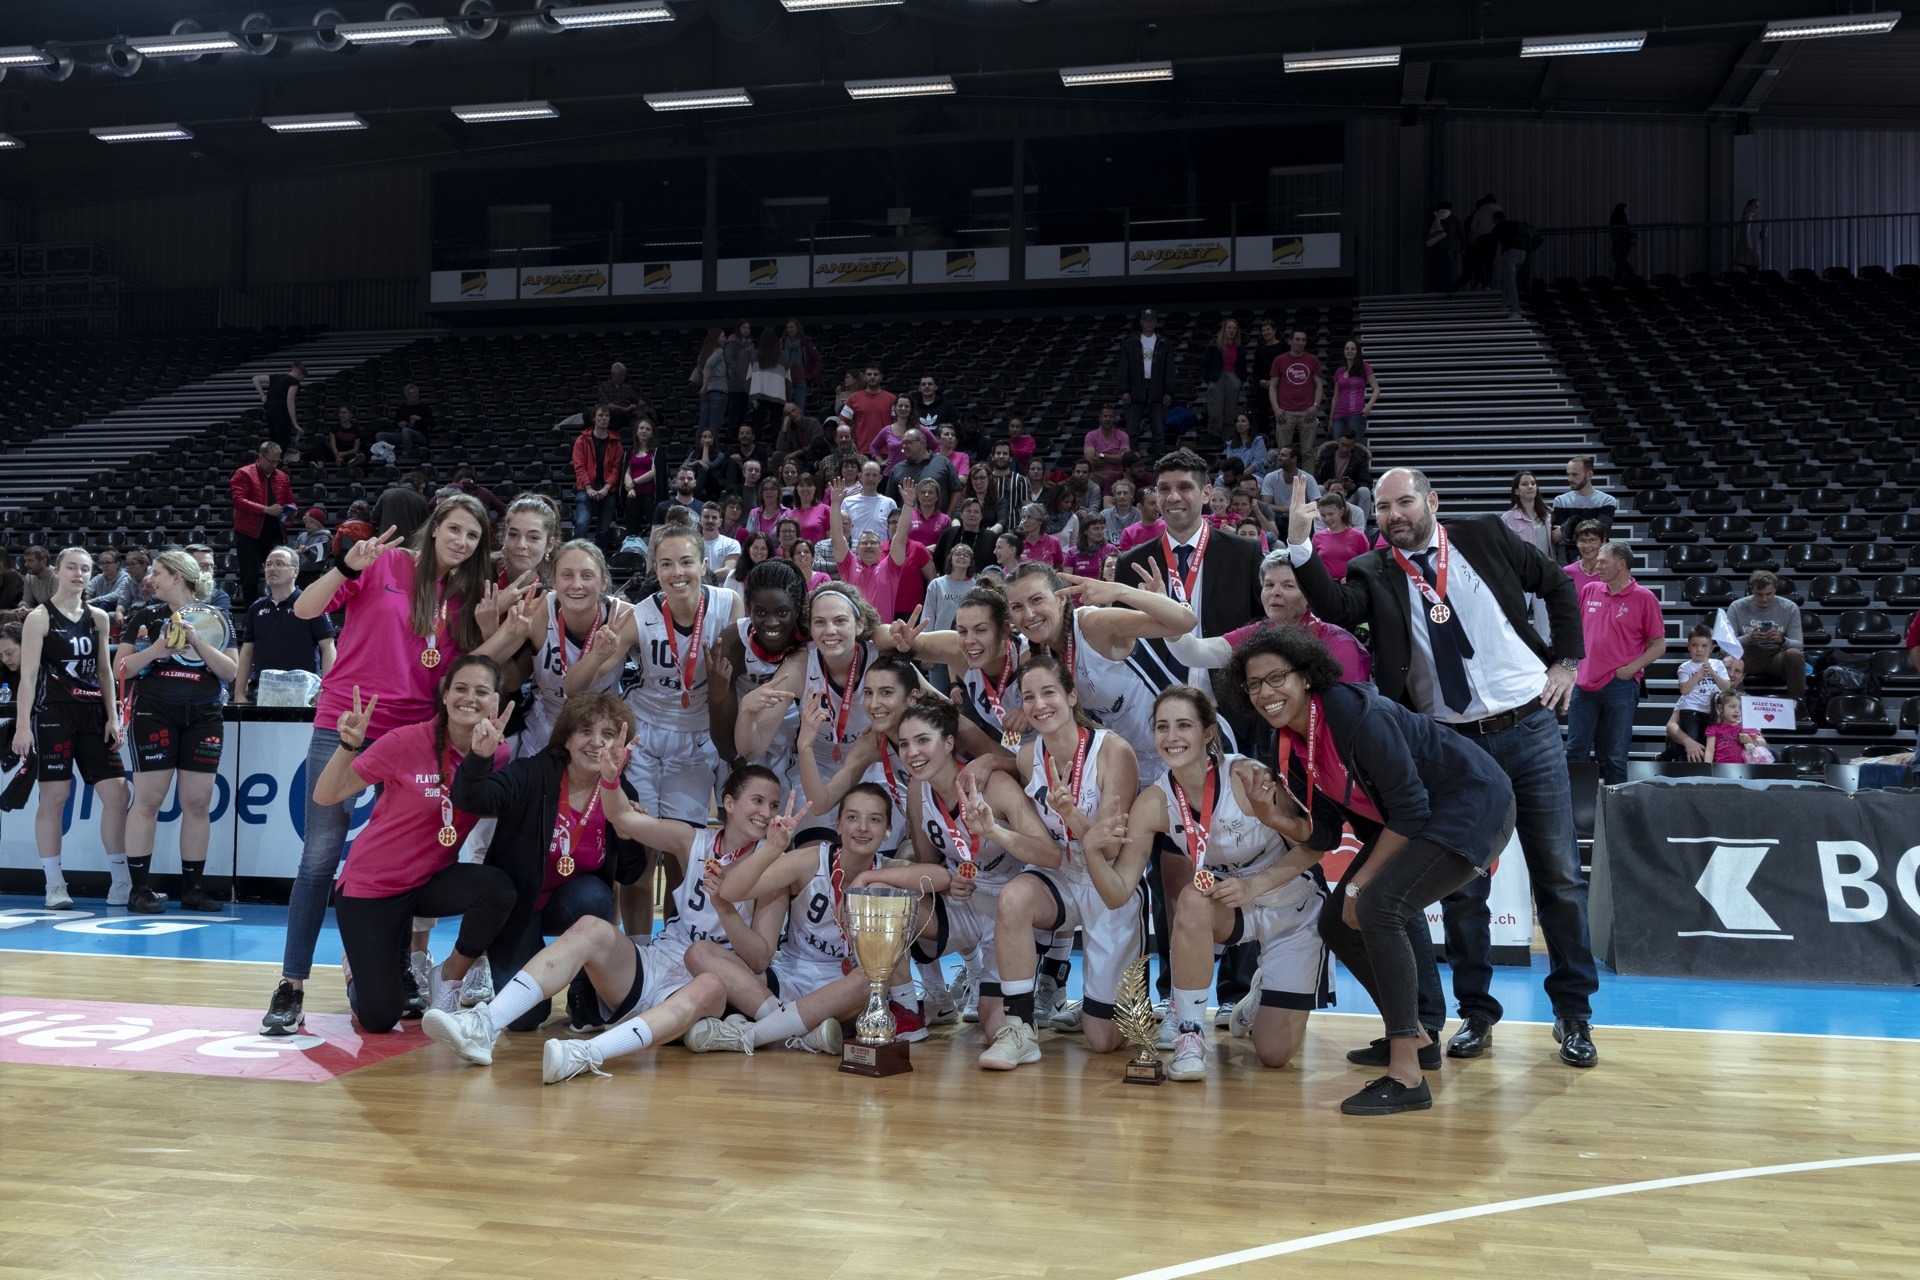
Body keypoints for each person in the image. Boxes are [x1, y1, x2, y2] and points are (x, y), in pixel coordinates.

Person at [1283, 468, 1600, 1069]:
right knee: (1462, 887)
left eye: (1405, 502)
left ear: (1432, 501)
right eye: (1382, 507)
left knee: (1558, 875)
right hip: (1453, 747)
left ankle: (1574, 1015)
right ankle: (1476, 1015)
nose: (1394, 514)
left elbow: (1558, 585)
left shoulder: (1484, 536)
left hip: (1529, 726)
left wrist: (1566, 661)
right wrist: (1301, 546)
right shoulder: (1372, 570)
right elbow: (1336, 606)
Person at [1230, 626, 1516, 1114]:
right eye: (1254, 685)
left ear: (1305, 677)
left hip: (1471, 803)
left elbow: (1409, 809)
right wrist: (1271, 816)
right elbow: (1321, 835)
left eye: (1275, 678)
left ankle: (1406, 1075)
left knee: (1377, 906)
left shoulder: (1354, 714)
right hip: (1422, 817)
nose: (1265, 693)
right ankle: (1418, 1039)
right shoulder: (1291, 742)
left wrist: (1361, 884)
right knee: (1335, 921)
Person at [260, 494, 518, 1037]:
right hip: (346, 721)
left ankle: (389, 967)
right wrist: (343, 566)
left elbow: (466, 669)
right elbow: (306, 609)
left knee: (409, 852)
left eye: (473, 536)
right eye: (454, 529)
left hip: (415, 734)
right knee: (320, 855)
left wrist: (501, 626)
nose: (462, 542)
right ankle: (291, 985)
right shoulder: (383, 560)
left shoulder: (467, 594)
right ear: (435, 527)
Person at [1098, 686, 1329, 1081]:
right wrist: (1089, 850)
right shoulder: (1153, 802)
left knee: (1274, 1055)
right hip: (1234, 904)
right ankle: (1189, 1034)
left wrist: (1255, 885)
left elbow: (1314, 848)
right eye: (1162, 727)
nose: (1172, 737)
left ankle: (1262, 989)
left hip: (1293, 904)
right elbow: (1118, 891)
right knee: (1190, 899)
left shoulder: (1247, 776)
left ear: (1208, 733)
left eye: (1184, 725)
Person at [313, 657, 516, 1031]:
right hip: (371, 889)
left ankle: (449, 975)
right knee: (380, 1018)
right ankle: (357, 967)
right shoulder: (404, 741)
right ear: (444, 694)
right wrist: (347, 745)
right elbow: (326, 796)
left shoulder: (496, 755)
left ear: (495, 702)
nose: (469, 698)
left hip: (427, 884)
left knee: (498, 889)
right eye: (461, 688)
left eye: (481, 691)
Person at [982, 654, 1142, 1070]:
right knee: (1013, 898)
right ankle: (1020, 1029)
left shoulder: (1114, 752)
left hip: (1109, 881)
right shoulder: (1028, 756)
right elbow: (1009, 761)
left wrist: (1070, 813)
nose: (1039, 705)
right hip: (1062, 875)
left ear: (1071, 696)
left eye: (1049, 692)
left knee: (1103, 1041)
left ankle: (1108, 1003)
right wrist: (988, 765)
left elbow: (1108, 850)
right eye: (1028, 697)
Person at [564, 520, 741, 891]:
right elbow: (572, 688)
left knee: (684, 849)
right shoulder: (640, 616)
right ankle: (641, 944)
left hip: (697, 736)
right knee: (641, 845)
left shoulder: (727, 604)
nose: (677, 573)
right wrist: (596, 656)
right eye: (666, 564)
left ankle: (676, 937)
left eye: (686, 562)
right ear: (655, 568)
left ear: (704, 563)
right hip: (643, 734)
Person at [446, 689, 635, 1032]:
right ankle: (499, 967)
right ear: (566, 738)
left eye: (608, 735)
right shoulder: (533, 773)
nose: (596, 743)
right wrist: (478, 758)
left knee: (594, 895)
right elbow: (472, 799)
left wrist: (627, 834)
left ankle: (583, 991)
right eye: (585, 731)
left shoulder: (619, 791)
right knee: (525, 1019)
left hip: (570, 906)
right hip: (518, 908)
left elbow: (630, 872)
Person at [683, 785, 889, 1056]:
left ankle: (753, 1035)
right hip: (790, 978)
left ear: (888, 830)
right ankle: (798, 1032)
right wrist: (771, 848)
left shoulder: (894, 872)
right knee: (699, 953)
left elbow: (936, 875)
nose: (862, 827)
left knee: (870, 980)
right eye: (852, 817)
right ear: (837, 825)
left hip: (844, 991)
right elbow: (730, 891)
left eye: (874, 820)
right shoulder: (809, 860)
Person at [1118, 450, 1266, 748]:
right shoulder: (1131, 563)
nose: (1173, 497)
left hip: (1233, 708)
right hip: (1157, 712)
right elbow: (1124, 644)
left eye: (1184, 487)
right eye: (1164, 489)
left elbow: (1262, 626)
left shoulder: (1244, 554)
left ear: (1207, 493)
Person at [1000, 562, 1195, 784]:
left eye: (1037, 600)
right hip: (1132, 761)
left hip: (1186, 741)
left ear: (1061, 598)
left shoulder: (1092, 625)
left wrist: (1119, 590)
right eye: (1017, 607)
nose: (1029, 614)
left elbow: (1186, 622)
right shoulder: (1035, 654)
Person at [11, 548, 129, 910]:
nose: (78, 574)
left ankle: (121, 881)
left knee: (118, 795)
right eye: (72, 567)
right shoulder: (39, 617)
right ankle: (54, 883)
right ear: (58, 572)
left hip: (93, 714)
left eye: (85, 569)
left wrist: (113, 715)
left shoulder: (98, 617)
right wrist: (21, 725)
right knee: (54, 799)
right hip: (54, 714)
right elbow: (28, 676)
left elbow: (106, 671)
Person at [1170, 549, 1374, 687]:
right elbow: (1193, 653)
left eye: (1288, 585)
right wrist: (1162, 610)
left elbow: (1350, 717)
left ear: (1311, 594)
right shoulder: (1258, 633)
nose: (1274, 593)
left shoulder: (1340, 644)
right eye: (1268, 585)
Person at [1566, 541, 1665, 784]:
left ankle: (1615, 816)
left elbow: (1659, 644)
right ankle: (1572, 814)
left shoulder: (1644, 598)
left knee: (1614, 757)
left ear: (1621, 565)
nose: (1596, 566)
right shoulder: (1589, 590)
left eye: (1603, 562)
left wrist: (1630, 670)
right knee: (1575, 753)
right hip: (1584, 683)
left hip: (1619, 685)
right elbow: (1576, 632)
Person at [233, 546, 337, 701]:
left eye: (279, 564)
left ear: (295, 571)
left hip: (304, 694)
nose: (272, 568)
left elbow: (328, 647)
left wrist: (325, 691)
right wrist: (239, 692)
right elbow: (247, 652)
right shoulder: (256, 608)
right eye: (268, 564)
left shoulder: (311, 602)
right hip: (264, 693)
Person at [1725, 570, 1807, 705]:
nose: (1764, 599)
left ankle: (1797, 705)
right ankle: (1735, 704)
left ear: (1775, 588)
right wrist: (1748, 639)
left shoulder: (1789, 608)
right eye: (1759, 594)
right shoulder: (1737, 607)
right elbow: (1727, 644)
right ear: (1751, 589)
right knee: (1729, 657)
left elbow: (1799, 645)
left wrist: (1782, 640)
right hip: (1748, 657)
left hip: (1776, 657)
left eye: (1769, 594)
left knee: (1794, 654)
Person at [832, 486, 914, 620]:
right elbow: (836, 536)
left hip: (882, 632)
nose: (869, 545)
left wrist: (908, 504)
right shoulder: (849, 564)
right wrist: (835, 504)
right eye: (864, 543)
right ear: (857, 548)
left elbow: (900, 536)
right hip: (853, 630)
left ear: (881, 548)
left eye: (873, 543)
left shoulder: (890, 567)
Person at [229, 440, 294, 607]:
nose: (274, 465)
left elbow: (289, 500)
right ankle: (252, 613)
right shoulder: (243, 473)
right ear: (260, 457)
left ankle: (279, 608)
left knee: (280, 574)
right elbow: (238, 501)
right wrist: (266, 509)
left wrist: (291, 509)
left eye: (277, 461)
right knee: (249, 578)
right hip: (249, 534)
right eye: (271, 461)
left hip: (274, 532)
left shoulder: (282, 477)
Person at [1665, 623, 1733, 762]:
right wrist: (1700, 673)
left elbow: (1726, 688)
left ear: (1711, 648)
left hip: (1712, 711)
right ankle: (1678, 766)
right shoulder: (1685, 667)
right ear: (1688, 646)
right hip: (1691, 709)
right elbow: (1684, 690)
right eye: (1695, 645)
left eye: (1704, 646)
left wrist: (1713, 673)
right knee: (1691, 742)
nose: (1699, 650)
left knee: (1707, 743)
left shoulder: (1718, 664)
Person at [1116, 309, 1175, 453]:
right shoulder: (1131, 342)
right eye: (1146, 320)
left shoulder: (1163, 342)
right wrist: (1125, 390)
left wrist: (1168, 392)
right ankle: (1132, 464)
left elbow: (1170, 369)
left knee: (1159, 432)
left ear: (1156, 323)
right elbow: (1124, 367)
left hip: (1157, 389)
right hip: (1136, 388)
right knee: (1132, 431)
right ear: (1141, 322)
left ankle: (1158, 464)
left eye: (1151, 320)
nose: (1149, 323)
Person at [571, 406, 626, 553]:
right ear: (594, 418)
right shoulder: (582, 440)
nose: (604, 418)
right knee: (582, 523)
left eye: (606, 416)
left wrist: (606, 488)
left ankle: (599, 559)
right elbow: (579, 467)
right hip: (586, 487)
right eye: (601, 415)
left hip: (608, 489)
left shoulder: (616, 443)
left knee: (603, 529)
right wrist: (588, 487)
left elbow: (616, 469)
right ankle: (576, 555)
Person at [1266, 327, 1322, 464]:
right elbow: (1272, 386)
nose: (1300, 342)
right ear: (1290, 341)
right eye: (1297, 339)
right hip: (1285, 412)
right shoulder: (1279, 360)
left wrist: (1315, 406)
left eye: (1303, 340)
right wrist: (1276, 408)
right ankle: (1281, 484)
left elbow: (1319, 385)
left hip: (1307, 411)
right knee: (1283, 452)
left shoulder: (1312, 360)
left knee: (1308, 452)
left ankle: (1309, 484)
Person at [1549, 455, 1617, 562]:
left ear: (1589, 475)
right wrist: (1566, 531)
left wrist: (1568, 527)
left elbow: (1602, 531)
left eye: (1575, 474)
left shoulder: (1606, 500)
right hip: (1568, 560)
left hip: (1598, 560)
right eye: (1568, 474)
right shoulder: (1561, 501)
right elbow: (1559, 537)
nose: (1570, 479)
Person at [888, 427, 961, 510]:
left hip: (939, 521)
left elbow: (956, 492)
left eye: (908, 442)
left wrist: (948, 518)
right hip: (908, 522)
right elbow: (891, 501)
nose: (904, 446)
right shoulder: (897, 469)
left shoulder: (943, 462)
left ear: (922, 442)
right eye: (903, 443)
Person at [1200, 318, 1245, 441]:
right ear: (1224, 329)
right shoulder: (1214, 346)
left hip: (1233, 379)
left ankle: (1227, 441)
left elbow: (1242, 367)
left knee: (1230, 416)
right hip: (1217, 379)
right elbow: (1204, 365)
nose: (1231, 330)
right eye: (1229, 327)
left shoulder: (1239, 348)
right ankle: (1213, 441)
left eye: (1234, 328)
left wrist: (1239, 380)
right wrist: (1210, 381)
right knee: (1216, 415)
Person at [1329, 339, 1378, 446]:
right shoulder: (1339, 371)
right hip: (1338, 415)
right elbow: (1335, 397)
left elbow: (1376, 389)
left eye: (1352, 349)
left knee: (1355, 446)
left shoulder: (1364, 367)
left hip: (1356, 413)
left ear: (1357, 352)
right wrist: (1331, 418)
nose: (1349, 351)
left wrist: (1369, 406)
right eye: (1347, 349)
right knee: (1339, 446)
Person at [1311, 493, 1369, 580]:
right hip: (1326, 586)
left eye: (1331, 514)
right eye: (1323, 515)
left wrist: (1351, 577)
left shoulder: (1358, 536)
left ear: (1341, 512)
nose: (1326, 519)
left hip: (1351, 586)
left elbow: (1367, 564)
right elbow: (1315, 565)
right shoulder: (1317, 537)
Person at [839, 460, 898, 545]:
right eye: (867, 475)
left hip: (881, 553)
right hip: (854, 552)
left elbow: (894, 531)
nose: (871, 479)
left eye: (874, 475)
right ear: (860, 477)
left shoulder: (889, 503)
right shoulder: (847, 502)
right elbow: (842, 530)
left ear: (880, 478)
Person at [252, 360, 305, 455]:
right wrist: (295, 423)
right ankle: (278, 462)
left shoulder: (277, 377)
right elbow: (290, 402)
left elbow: (256, 378)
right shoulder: (294, 381)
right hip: (281, 413)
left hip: (270, 412)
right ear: (300, 375)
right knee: (282, 442)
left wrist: (262, 395)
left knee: (274, 440)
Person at [839, 364, 895, 454]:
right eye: (869, 374)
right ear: (864, 377)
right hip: (862, 450)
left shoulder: (891, 398)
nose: (872, 377)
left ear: (881, 377)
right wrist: (850, 439)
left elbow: (896, 423)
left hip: (886, 450)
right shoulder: (854, 398)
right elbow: (842, 420)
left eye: (875, 374)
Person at [1246, 318, 1284, 440]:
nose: (1266, 332)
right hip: (1263, 386)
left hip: (1280, 386)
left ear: (1274, 330)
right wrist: (1260, 381)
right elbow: (1255, 369)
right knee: (1262, 415)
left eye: (1268, 329)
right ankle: (1264, 440)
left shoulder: (1283, 346)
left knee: (1280, 414)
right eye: (1263, 330)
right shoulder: (1260, 348)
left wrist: (1276, 382)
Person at [620, 418, 659, 537]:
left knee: (655, 527)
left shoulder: (656, 451)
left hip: (650, 494)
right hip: (633, 494)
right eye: (641, 428)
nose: (644, 431)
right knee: (632, 528)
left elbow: (654, 472)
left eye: (647, 429)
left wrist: (634, 482)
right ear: (636, 431)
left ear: (652, 433)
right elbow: (626, 473)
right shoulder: (630, 451)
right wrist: (630, 488)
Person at [372, 471, 433, 542]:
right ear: (418, 484)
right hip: (411, 545)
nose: (422, 491)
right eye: (422, 488)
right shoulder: (422, 499)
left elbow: (374, 518)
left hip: (387, 543)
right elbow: (426, 525)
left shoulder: (386, 494)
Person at [381, 383, 435, 457]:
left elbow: (433, 423)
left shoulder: (424, 407)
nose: (414, 399)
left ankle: (406, 454)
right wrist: (399, 424)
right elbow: (394, 424)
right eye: (412, 397)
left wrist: (420, 419)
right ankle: (384, 455)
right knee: (380, 435)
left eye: (416, 397)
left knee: (406, 430)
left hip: (420, 435)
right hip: (403, 434)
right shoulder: (402, 408)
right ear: (407, 397)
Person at [1491, 210, 1529, 315]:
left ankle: (1514, 307)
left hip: (1509, 253)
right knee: (1506, 279)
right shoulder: (1514, 223)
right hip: (1522, 253)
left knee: (1509, 282)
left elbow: (1493, 243)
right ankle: (1506, 303)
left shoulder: (1497, 228)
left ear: (1495, 220)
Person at [1425, 200, 1464, 294]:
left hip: (1436, 248)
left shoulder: (1433, 219)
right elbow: (1461, 234)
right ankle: (1450, 289)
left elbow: (1427, 233)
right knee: (1449, 270)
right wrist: (1463, 247)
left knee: (1435, 270)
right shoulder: (1454, 219)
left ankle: (1432, 289)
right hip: (1449, 247)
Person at [595, 362, 642, 433]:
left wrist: (638, 403)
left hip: (627, 414)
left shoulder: (626, 388)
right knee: (618, 413)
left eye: (624, 375)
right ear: (613, 374)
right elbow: (608, 405)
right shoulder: (603, 387)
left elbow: (637, 400)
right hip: (612, 414)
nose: (623, 378)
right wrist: (626, 409)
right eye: (621, 375)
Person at [700, 505, 742, 581]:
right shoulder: (693, 545)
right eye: (706, 517)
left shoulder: (731, 543)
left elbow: (729, 570)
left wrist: (702, 577)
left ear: (720, 522)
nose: (710, 520)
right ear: (700, 520)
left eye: (714, 517)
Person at [1566, 519, 1606, 594]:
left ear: (1603, 541)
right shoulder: (1567, 572)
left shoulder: (1611, 571)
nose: (1587, 545)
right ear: (1576, 542)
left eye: (1592, 540)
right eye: (1582, 540)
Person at [1222, 413, 1270, 477]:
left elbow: (1257, 463)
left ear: (1250, 425)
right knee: (1220, 479)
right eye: (1238, 421)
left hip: (1254, 475)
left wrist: (1243, 474)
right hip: (1235, 476)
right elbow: (1230, 463)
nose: (1239, 424)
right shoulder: (1230, 444)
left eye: (1243, 421)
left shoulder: (1258, 441)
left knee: (1243, 482)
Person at [326, 406, 367, 470]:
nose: (341, 415)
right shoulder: (334, 428)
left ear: (350, 415)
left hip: (348, 452)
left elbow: (355, 449)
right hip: (336, 452)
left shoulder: (356, 430)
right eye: (340, 413)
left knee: (357, 458)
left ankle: (351, 464)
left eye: (344, 413)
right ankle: (320, 466)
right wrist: (337, 457)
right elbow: (333, 445)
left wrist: (343, 454)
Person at [1735, 198, 1765, 274]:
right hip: (1750, 248)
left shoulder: (1750, 217)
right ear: (1749, 206)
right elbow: (1746, 233)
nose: (1757, 208)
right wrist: (1749, 247)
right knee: (1752, 268)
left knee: (1752, 268)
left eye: (1757, 206)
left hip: (1752, 246)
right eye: (1755, 205)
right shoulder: (1748, 217)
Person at [1609, 204, 1637, 281]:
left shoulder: (1616, 219)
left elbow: (1622, 234)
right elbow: (1621, 235)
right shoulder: (1619, 219)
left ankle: (1618, 282)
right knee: (1623, 267)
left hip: (1620, 249)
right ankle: (1627, 281)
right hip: (1620, 249)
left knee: (1620, 267)